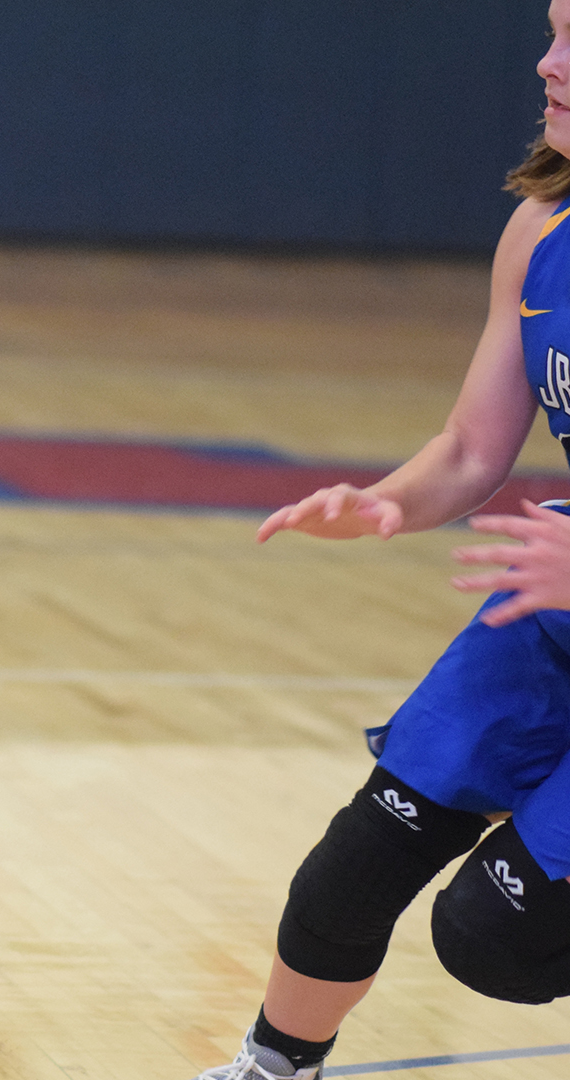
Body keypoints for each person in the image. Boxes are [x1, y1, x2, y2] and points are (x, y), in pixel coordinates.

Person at [192, 5, 570, 1077]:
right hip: (554, 592)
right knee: (367, 851)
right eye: (552, 30)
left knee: (498, 933)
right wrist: (389, 502)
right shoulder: (541, 228)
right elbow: (472, 445)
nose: (547, 61)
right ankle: (273, 1069)